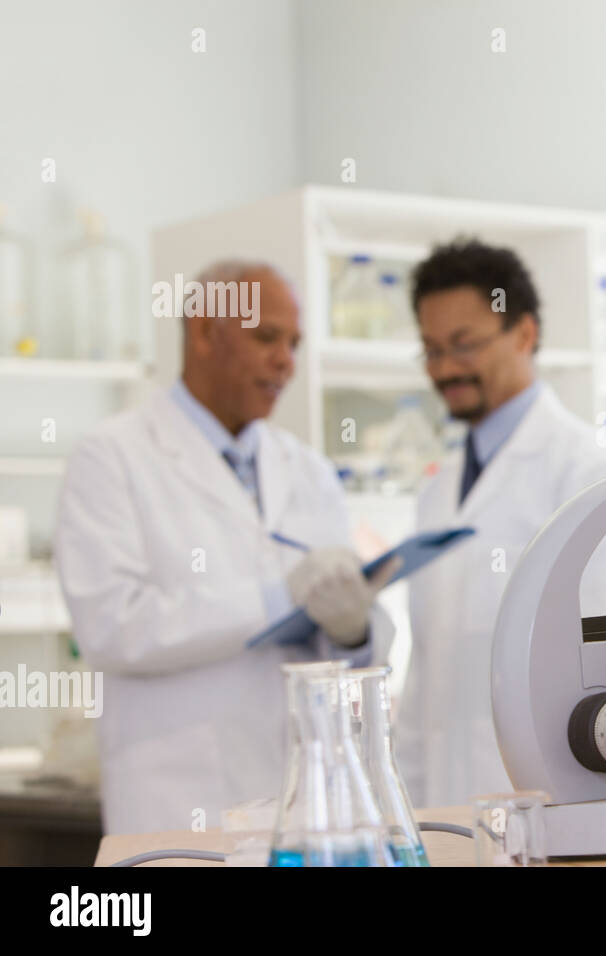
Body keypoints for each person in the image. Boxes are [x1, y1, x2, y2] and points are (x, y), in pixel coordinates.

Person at [55, 260, 395, 834]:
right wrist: (274, 601)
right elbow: (110, 625)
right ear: (206, 333)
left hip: (300, 798)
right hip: (177, 799)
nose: (286, 361)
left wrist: (352, 631)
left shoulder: (307, 470)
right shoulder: (111, 457)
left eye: (294, 343)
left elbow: (349, 663)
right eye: (266, 338)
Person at [398, 238, 606, 808]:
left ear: (524, 333)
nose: (445, 369)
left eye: (464, 344)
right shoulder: (438, 491)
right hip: (446, 816)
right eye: (431, 350)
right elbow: (425, 676)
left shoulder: (590, 475)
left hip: (555, 812)